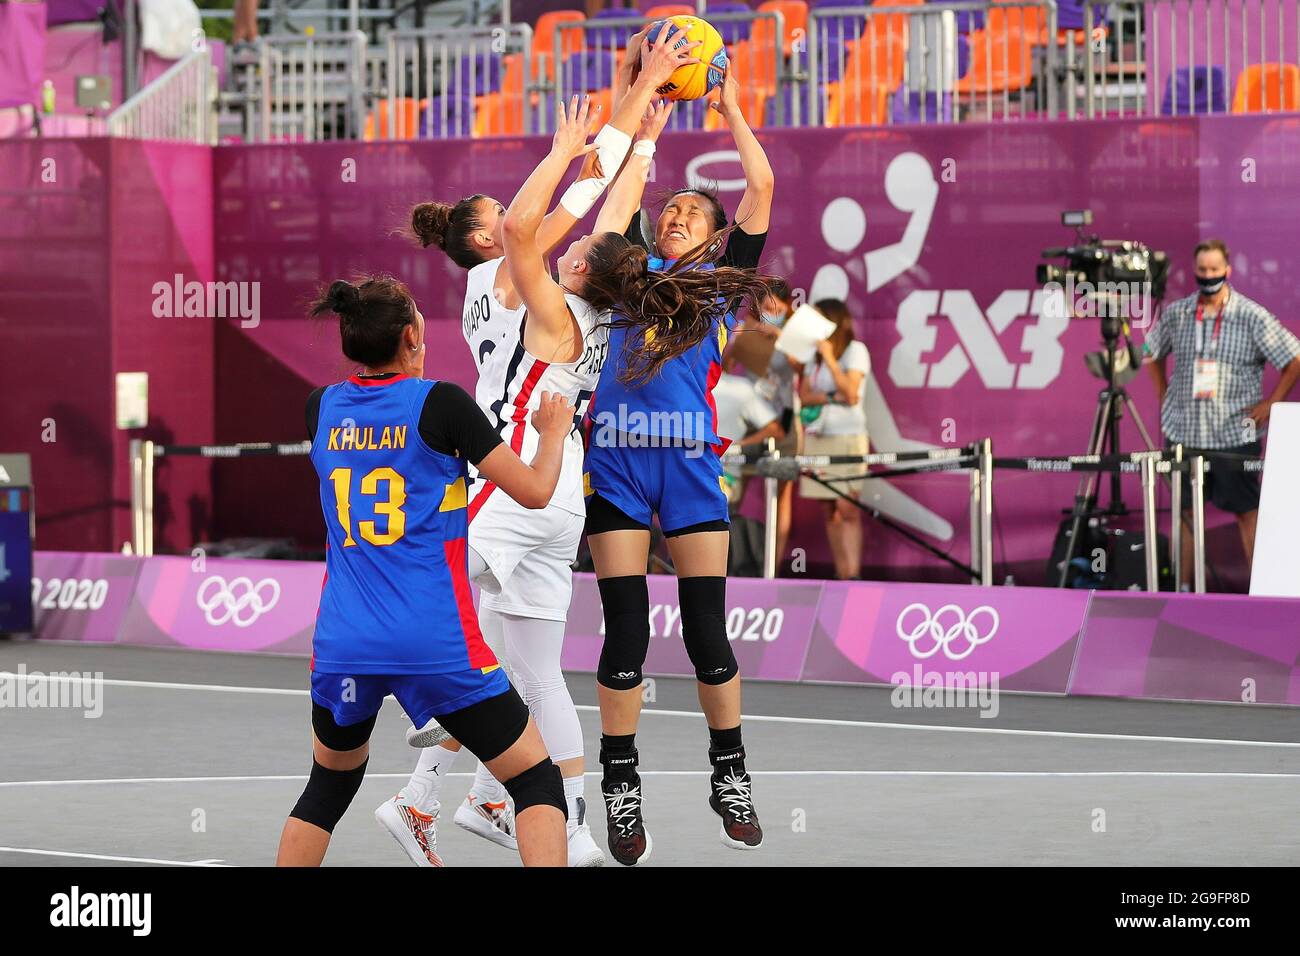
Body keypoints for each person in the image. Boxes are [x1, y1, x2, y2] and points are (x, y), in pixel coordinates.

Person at [374, 33, 694, 868]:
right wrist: (636, 117)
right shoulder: (527, 285)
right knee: (519, 663)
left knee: (462, 615)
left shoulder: (522, 280)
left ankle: (457, 752)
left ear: (584, 268)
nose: (568, 240)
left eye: (576, 249)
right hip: (547, 474)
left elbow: (576, 209)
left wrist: (619, 125)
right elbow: (602, 209)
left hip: (514, 472)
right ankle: (485, 793)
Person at [276, 275, 575, 867]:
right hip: (436, 643)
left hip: (345, 643)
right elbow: (537, 492)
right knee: (537, 784)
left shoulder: (321, 406)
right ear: (413, 334)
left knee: (327, 788)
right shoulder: (440, 405)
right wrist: (552, 435)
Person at [578, 53, 777, 864]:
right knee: (623, 633)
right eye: (671, 211)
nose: (675, 218)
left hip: (690, 463)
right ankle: (619, 785)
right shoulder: (627, 272)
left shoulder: (726, 286)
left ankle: (730, 773)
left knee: (707, 636)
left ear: (716, 231)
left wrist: (729, 107)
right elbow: (609, 194)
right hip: (618, 463)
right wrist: (643, 124)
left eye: (693, 212)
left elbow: (760, 190)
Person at [1142, 239, 1300, 587]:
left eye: (1215, 270)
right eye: (1202, 270)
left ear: (1227, 271)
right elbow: (1147, 349)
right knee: (1184, 515)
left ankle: (1263, 591)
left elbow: (1295, 358)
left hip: (1235, 433)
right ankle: (1181, 593)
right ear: (1195, 271)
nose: (1208, 276)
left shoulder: (1252, 315)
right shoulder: (1178, 313)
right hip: (1183, 430)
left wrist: (1272, 403)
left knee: (1247, 512)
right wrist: (1160, 391)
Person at [724, 278, 799, 565]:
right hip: (752, 418)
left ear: (787, 306)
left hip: (785, 415)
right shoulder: (747, 327)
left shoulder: (797, 332)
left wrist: (779, 337)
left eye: (775, 307)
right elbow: (725, 368)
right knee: (733, 491)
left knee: (780, 494)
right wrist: (738, 340)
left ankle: (774, 566)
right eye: (764, 307)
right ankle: (729, 561)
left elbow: (801, 369)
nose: (770, 312)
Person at [797, 299, 871, 581]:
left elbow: (851, 393)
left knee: (847, 508)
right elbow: (804, 396)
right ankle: (842, 575)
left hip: (847, 438)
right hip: (819, 436)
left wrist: (829, 358)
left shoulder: (854, 351)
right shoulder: (810, 356)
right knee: (829, 508)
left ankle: (853, 575)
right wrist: (830, 397)